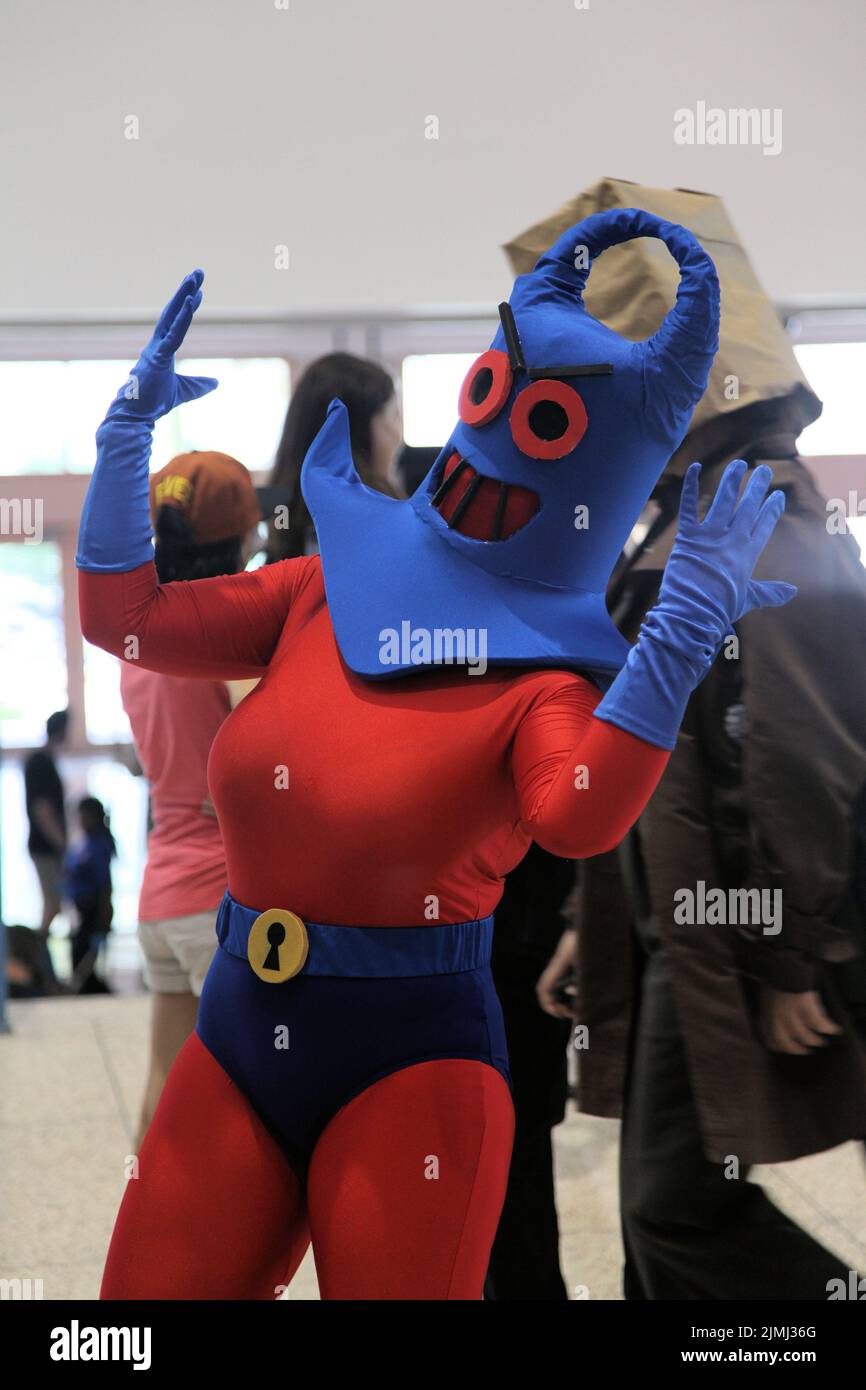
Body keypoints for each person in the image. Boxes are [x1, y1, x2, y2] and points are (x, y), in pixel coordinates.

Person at [78, 210, 790, 1300]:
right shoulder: (321, 589)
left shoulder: (539, 682)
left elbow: (577, 817)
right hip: (237, 1030)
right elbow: (125, 617)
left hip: (410, 1066)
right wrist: (124, 448)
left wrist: (680, 633)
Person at [523, 180, 866, 1300]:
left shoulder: (762, 511)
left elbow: (796, 754)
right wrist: (593, 917)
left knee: (673, 1209)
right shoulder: (679, 515)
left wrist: (785, 952)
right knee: (652, 1223)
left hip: (729, 935)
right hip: (675, 928)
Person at [120, 450, 266, 1148]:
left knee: (162, 1086)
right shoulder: (224, 631)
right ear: (243, 534)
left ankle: (144, 1243)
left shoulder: (138, 638)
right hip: (220, 899)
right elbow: (260, 750)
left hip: (159, 896)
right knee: (245, 1100)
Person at [266, 352, 403, 562]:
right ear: (357, 430)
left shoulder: (281, 512)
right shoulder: (381, 518)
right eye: (394, 416)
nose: (398, 435)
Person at [61, 796, 117, 994]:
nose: (82, 820)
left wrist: (105, 913)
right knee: (79, 951)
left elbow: (104, 883)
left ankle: (89, 989)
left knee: (83, 954)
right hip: (80, 907)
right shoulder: (83, 843)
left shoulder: (100, 844)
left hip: (94, 907)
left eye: (85, 816)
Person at [24, 709, 69, 937]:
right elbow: (42, 809)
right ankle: (34, 959)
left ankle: (37, 959)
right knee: (52, 905)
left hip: (46, 845)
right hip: (44, 846)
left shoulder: (45, 760)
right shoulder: (40, 762)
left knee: (54, 905)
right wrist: (61, 844)